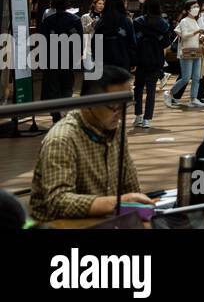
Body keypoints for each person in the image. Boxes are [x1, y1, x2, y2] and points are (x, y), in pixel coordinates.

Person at [29, 66, 154, 223]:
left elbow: (130, 185)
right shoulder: (62, 139)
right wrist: (117, 202)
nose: (121, 113)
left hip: (103, 223)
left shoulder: (116, 130)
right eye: (114, 106)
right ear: (89, 103)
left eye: (125, 105)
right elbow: (58, 202)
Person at [38, 0, 81, 123]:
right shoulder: (75, 20)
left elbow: (42, 41)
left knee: (52, 88)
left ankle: (55, 114)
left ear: (54, 4)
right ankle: (64, 111)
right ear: (67, 4)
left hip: (51, 58)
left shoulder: (48, 21)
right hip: (68, 58)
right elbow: (78, 41)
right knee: (67, 86)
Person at [131, 0, 172, 129]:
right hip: (156, 59)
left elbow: (133, 41)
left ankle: (138, 116)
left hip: (141, 59)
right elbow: (167, 43)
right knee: (151, 90)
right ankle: (147, 119)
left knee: (138, 88)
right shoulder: (163, 24)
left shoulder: (137, 22)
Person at [165, 1, 204, 108]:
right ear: (188, 9)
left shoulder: (194, 20)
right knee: (186, 77)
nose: (197, 8)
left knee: (196, 77)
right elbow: (184, 36)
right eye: (194, 7)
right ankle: (169, 93)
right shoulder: (185, 21)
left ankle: (193, 98)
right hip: (186, 51)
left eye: (197, 6)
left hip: (196, 50)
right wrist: (196, 32)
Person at [92, 0, 136, 72]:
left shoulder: (101, 22)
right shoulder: (126, 21)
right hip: (123, 61)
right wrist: (133, 60)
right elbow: (132, 42)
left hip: (105, 62)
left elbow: (95, 43)